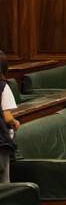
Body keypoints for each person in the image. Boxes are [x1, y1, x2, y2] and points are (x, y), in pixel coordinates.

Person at [0, 52, 20, 182]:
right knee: (3, 182)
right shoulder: (3, 86)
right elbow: (8, 118)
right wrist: (15, 123)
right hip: (1, 142)